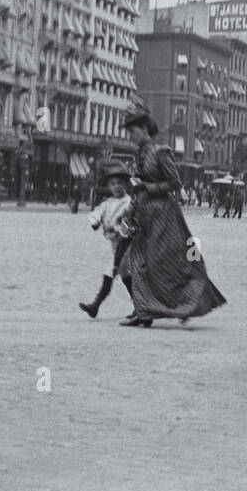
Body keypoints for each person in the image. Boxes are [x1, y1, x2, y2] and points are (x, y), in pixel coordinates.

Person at [118, 100, 226, 328]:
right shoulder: (139, 155)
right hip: (144, 215)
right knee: (132, 264)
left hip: (165, 218)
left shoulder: (161, 153)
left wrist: (150, 187)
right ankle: (143, 309)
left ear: (145, 129)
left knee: (170, 264)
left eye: (133, 132)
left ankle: (178, 305)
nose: (131, 137)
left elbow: (175, 182)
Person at [79, 161, 134, 319]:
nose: (116, 186)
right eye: (113, 184)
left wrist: (117, 230)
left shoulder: (130, 203)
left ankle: (95, 305)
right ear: (109, 186)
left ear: (125, 185)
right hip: (116, 246)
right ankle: (139, 306)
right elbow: (96, 213)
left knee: (110, 273)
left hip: (128, 246)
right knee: (126, 276)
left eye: (119, 183)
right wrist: (95, 222)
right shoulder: (108, 203)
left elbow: (130, 222)